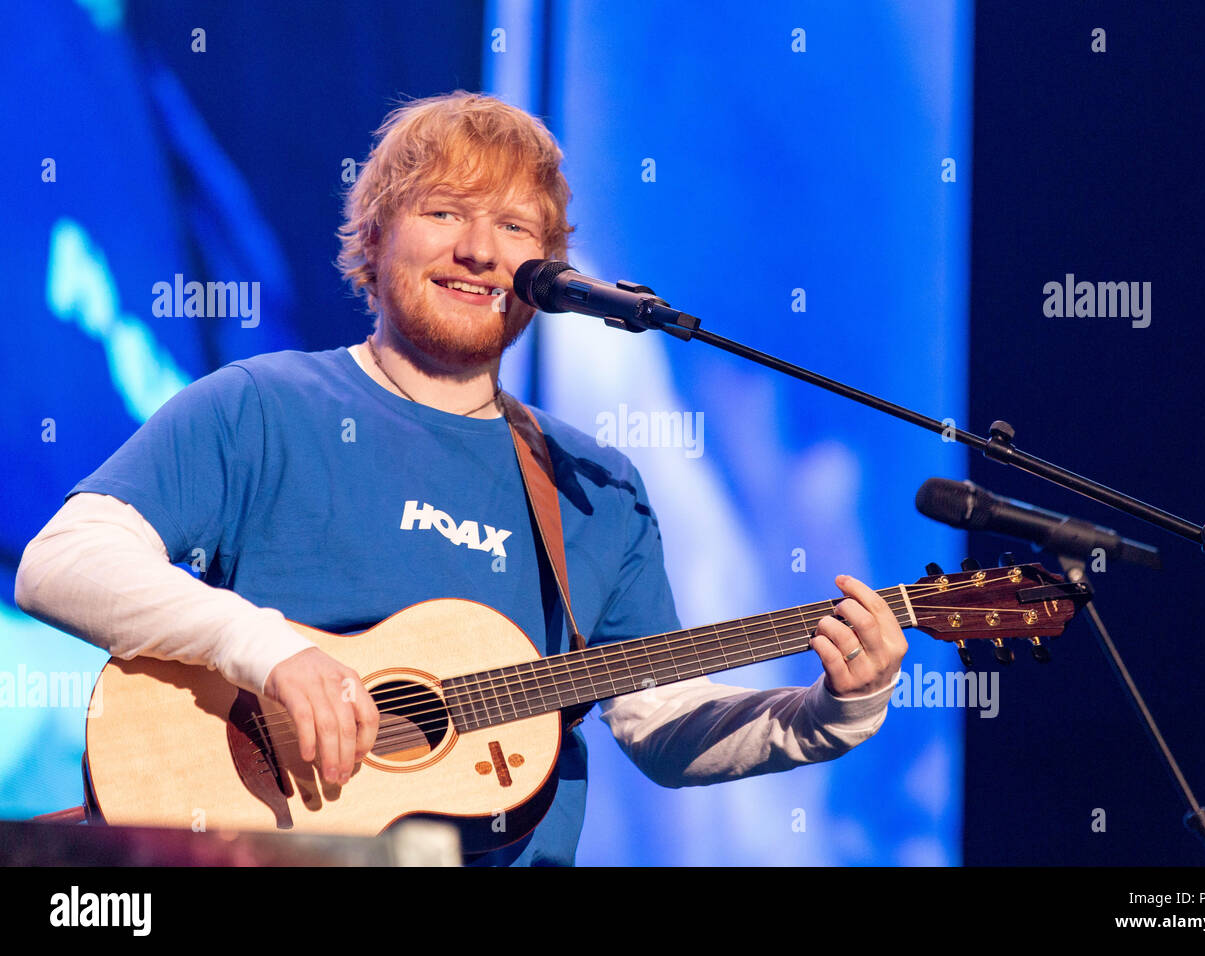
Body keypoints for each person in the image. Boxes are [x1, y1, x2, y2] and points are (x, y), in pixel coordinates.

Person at [15, 91, 908, 866]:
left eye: (515, 228)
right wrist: (271, 651)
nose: (482, 251)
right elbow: (64, 560)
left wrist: (830, 709)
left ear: (545, 273)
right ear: (374, 237)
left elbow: (659, 722)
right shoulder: (261, 404)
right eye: (445, 212)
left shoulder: (593, 486)